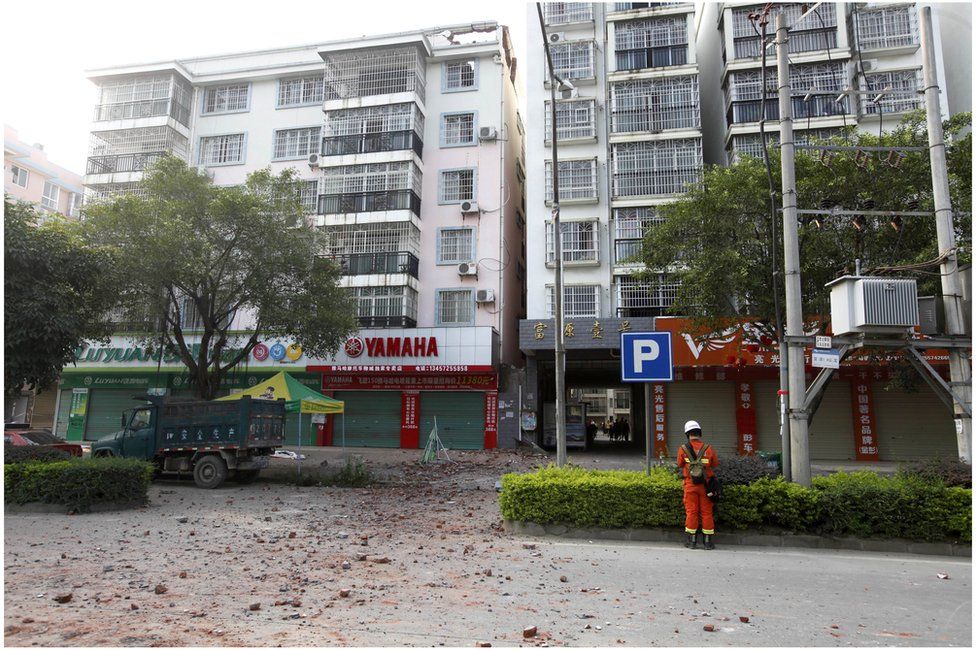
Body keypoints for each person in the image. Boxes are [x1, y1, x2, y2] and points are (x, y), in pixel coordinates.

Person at [676, 419, 719, 550]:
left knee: (691, 512)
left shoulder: (683, 449)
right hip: (706, 486)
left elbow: (679, 464)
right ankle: (708, 542)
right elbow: (715, 464)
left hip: (690, 485)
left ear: (687, 434)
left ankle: (692, 541)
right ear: (699, 433)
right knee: (707, 513)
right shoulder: (708, 448)